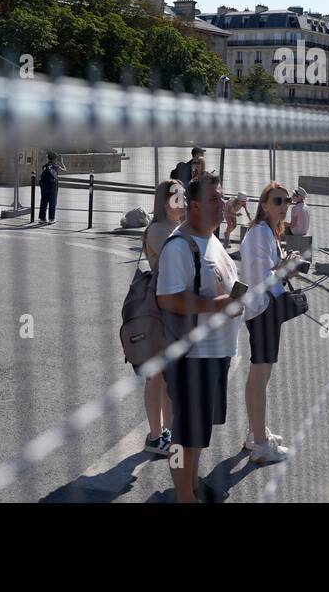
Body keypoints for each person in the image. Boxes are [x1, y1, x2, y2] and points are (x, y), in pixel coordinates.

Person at [155, 171, 243, 503]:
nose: (223, 204)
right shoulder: (180, 245)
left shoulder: (213, 239)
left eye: (222, 197)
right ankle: (183, 496)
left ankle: (192, 485)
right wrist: (216, 304)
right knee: (183, 435)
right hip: (192, 356)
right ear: (194, 206)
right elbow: (167, 297)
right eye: (215, 199)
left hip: (215, 354)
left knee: (198, 432)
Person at [239, 182, 298, 465]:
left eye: (286, 201)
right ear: (264, 204)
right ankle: (260, 444)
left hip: (264, 310)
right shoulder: (260, 233)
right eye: (277, 200)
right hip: (262, 310)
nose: (283, 205)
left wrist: (285, 262)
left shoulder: (268, 233)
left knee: (259, 376)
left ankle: (255, 433)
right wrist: (286, 266)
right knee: (260, 378)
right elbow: (262, 276)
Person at [138, 178, 185, 455]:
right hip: (157, 311)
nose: (184, 201)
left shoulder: (177, 227)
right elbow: (179, 261)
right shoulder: (158, 230)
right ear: (166, 201)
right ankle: (155, 436)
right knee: (155, 375)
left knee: (168, 377)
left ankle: (167, 431)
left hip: (173, 309)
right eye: (178, 196)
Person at [37, 151, 65, 224]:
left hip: (44, 186)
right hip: (52, 186)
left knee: (43, 201)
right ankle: (51, 218)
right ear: (55, 159)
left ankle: (42, 218)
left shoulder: (44, 166)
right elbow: (65, 170)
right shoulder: (55, 166)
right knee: (52, 202)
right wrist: (61, 162)